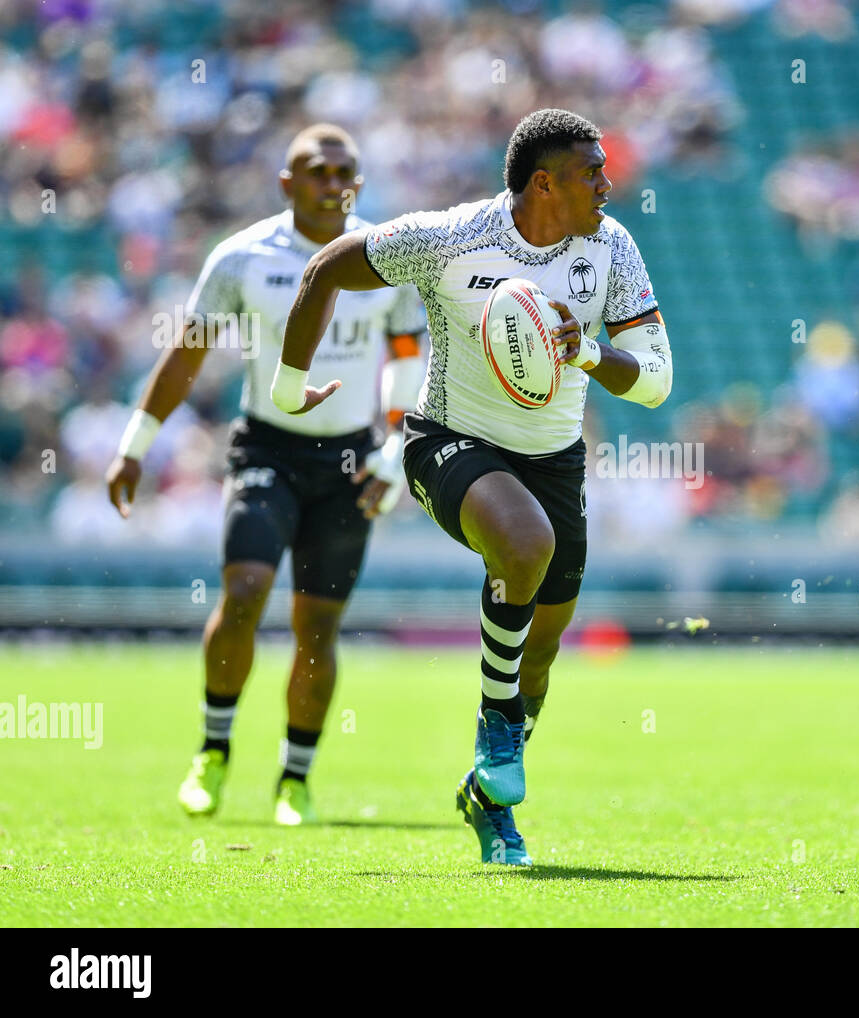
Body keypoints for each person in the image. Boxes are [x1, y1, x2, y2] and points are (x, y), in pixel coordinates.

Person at [271, 109, 671, 865]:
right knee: (524, 546)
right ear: (545, 181)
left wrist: (586, 351)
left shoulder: (612, 247)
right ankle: (495, 729)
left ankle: (487, 801)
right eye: (592, 170)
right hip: (448, 441)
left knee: (542, 661)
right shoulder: (451, 237)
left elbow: (655, 380)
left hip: (553, 464)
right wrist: (290, 386)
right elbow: (325, 269)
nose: (607, 182)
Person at [106, 124, 428, 825]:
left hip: (350, 461)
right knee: (246, 588)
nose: (333, 182)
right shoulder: (242, 257)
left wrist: (396, 444)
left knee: (317, 628)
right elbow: (187, 355)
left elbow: (408, 352)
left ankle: (295, 776)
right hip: (267, 448)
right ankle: (214, 749)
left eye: (346, 171)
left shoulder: (385, 256)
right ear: (287, 183)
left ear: (360, 183)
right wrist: (136, 444)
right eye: (317, 170)